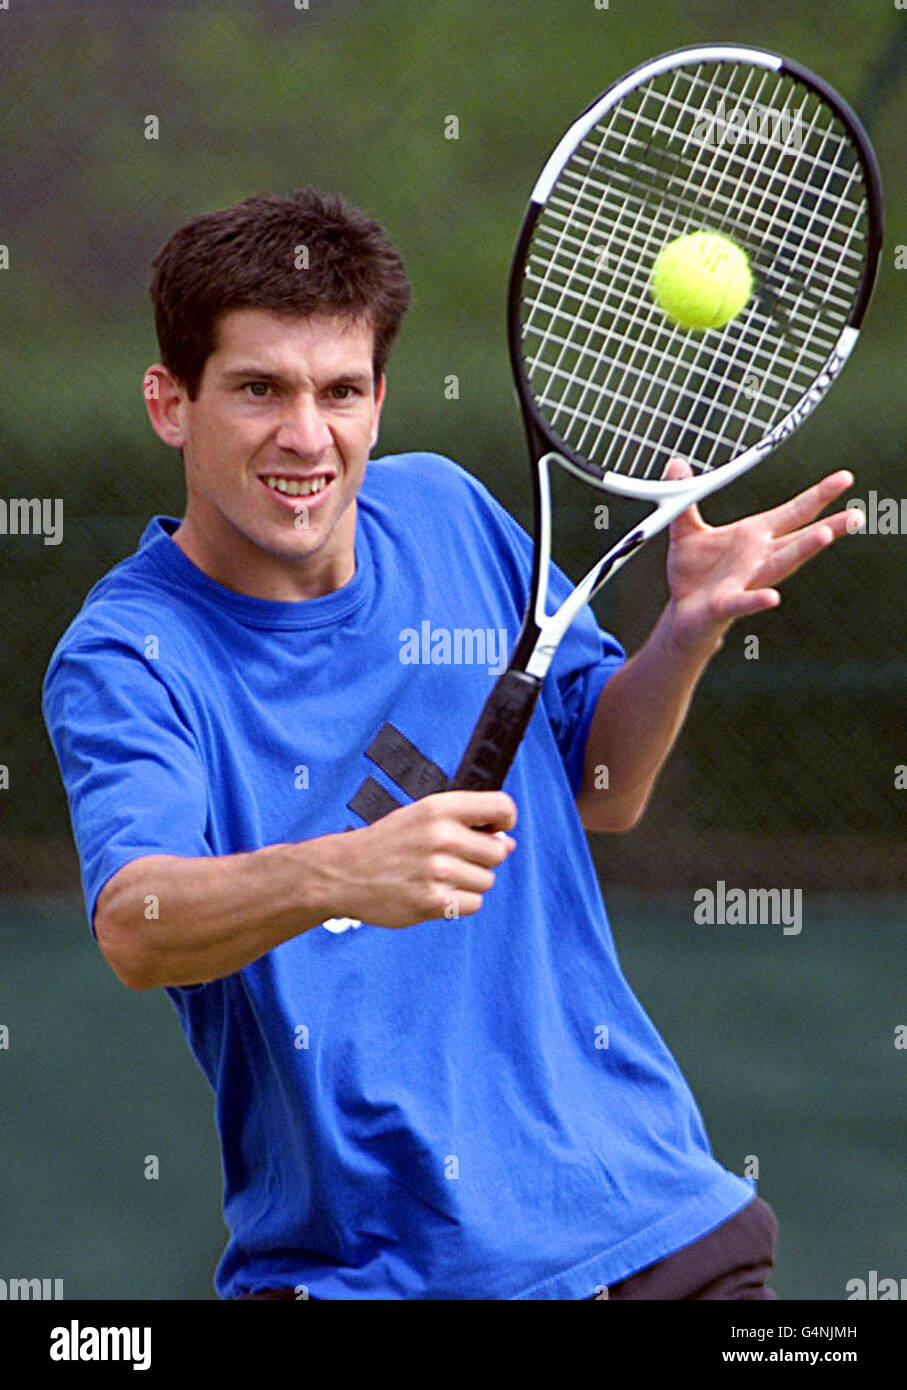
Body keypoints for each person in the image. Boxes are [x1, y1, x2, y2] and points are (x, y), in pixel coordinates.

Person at [43, 188, 853, 1301]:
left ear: (379, 399)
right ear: (169, 403)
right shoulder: (129, 654)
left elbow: (600, 789)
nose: (306, 434)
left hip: (653, 1221)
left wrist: (682, 635)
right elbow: (137, 926)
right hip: (379, 1272)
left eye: (340, 391)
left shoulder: (448, 512)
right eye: (258, 390)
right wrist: (346, 870)